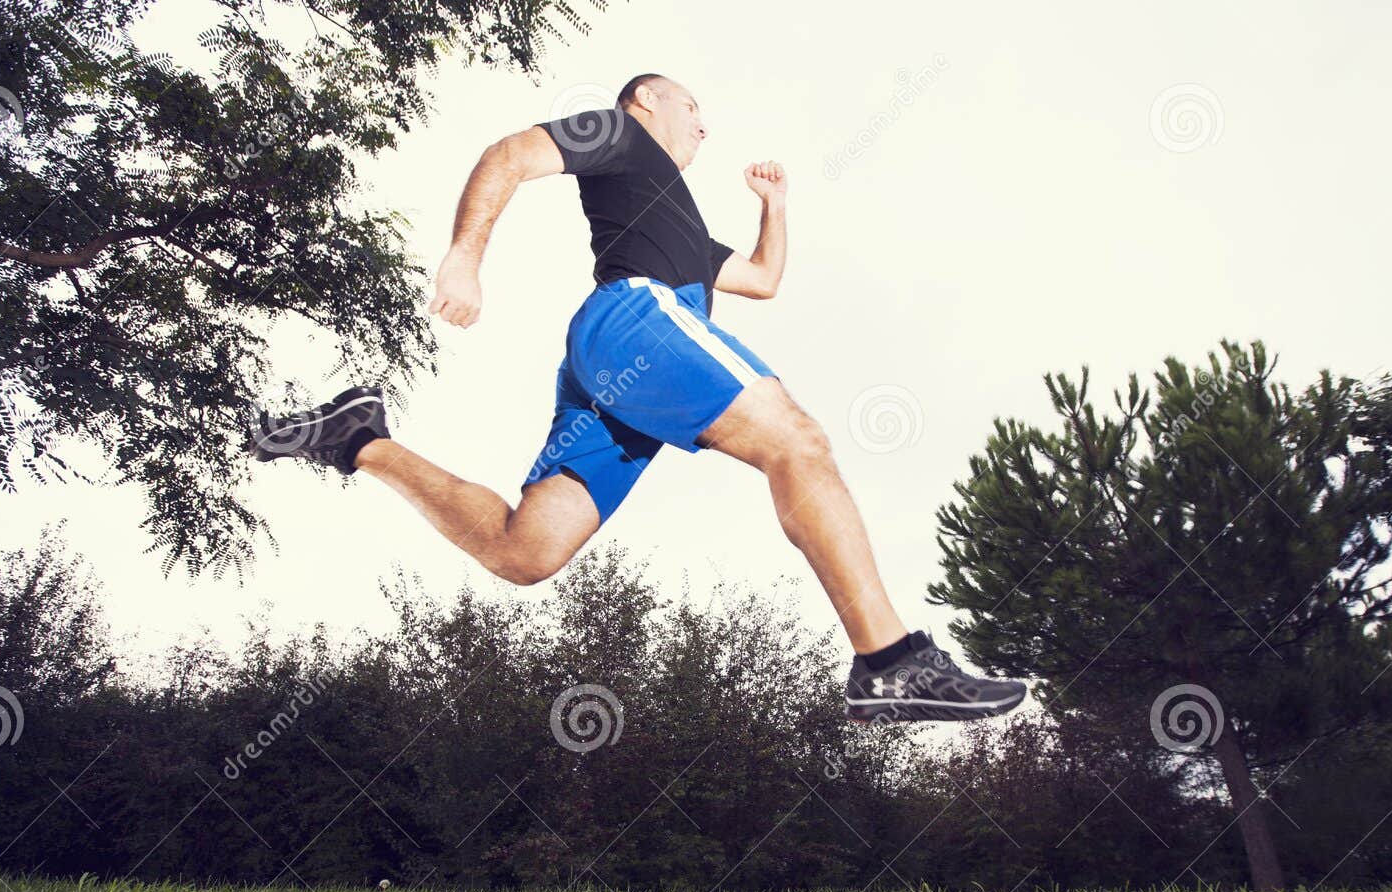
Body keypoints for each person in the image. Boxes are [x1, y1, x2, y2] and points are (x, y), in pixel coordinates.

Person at [248, 73, 1025, 722]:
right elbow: (508, 155)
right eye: (693, 110)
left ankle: (361, 439)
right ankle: (889, 660)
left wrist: (776, 207)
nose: (704, 129)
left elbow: (762, 279)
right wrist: (464, 255)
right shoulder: (618, 135)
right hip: (635, 319)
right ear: (645, 100)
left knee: (527, 551)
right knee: (799, 442)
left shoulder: (675, 218)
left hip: (623, 367)